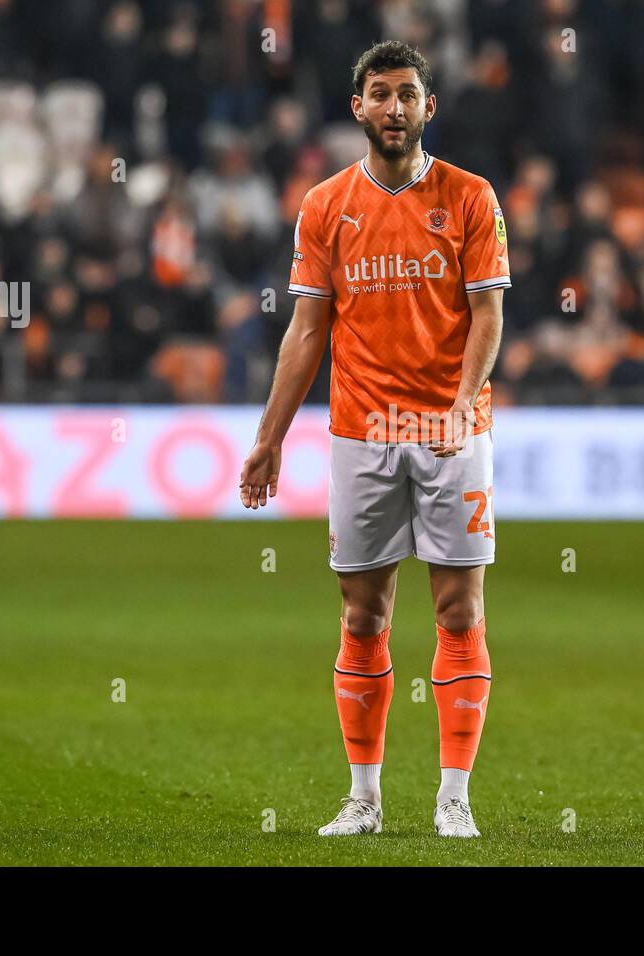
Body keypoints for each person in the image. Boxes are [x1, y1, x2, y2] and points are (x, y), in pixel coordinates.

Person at [238, 40, 510, 838]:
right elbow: (307, 329)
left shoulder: (469, 197)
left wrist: (463, 403)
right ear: (358, 107)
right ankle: (364, 797)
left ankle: (453, 798)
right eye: (381, 95)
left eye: (409, 95)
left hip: (450, 432)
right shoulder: (326, 204)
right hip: (360, 435)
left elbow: (488, 312)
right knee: (363, 615)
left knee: (459, 610)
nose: (395, 109)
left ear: (430, 107)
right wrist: (270, 437)